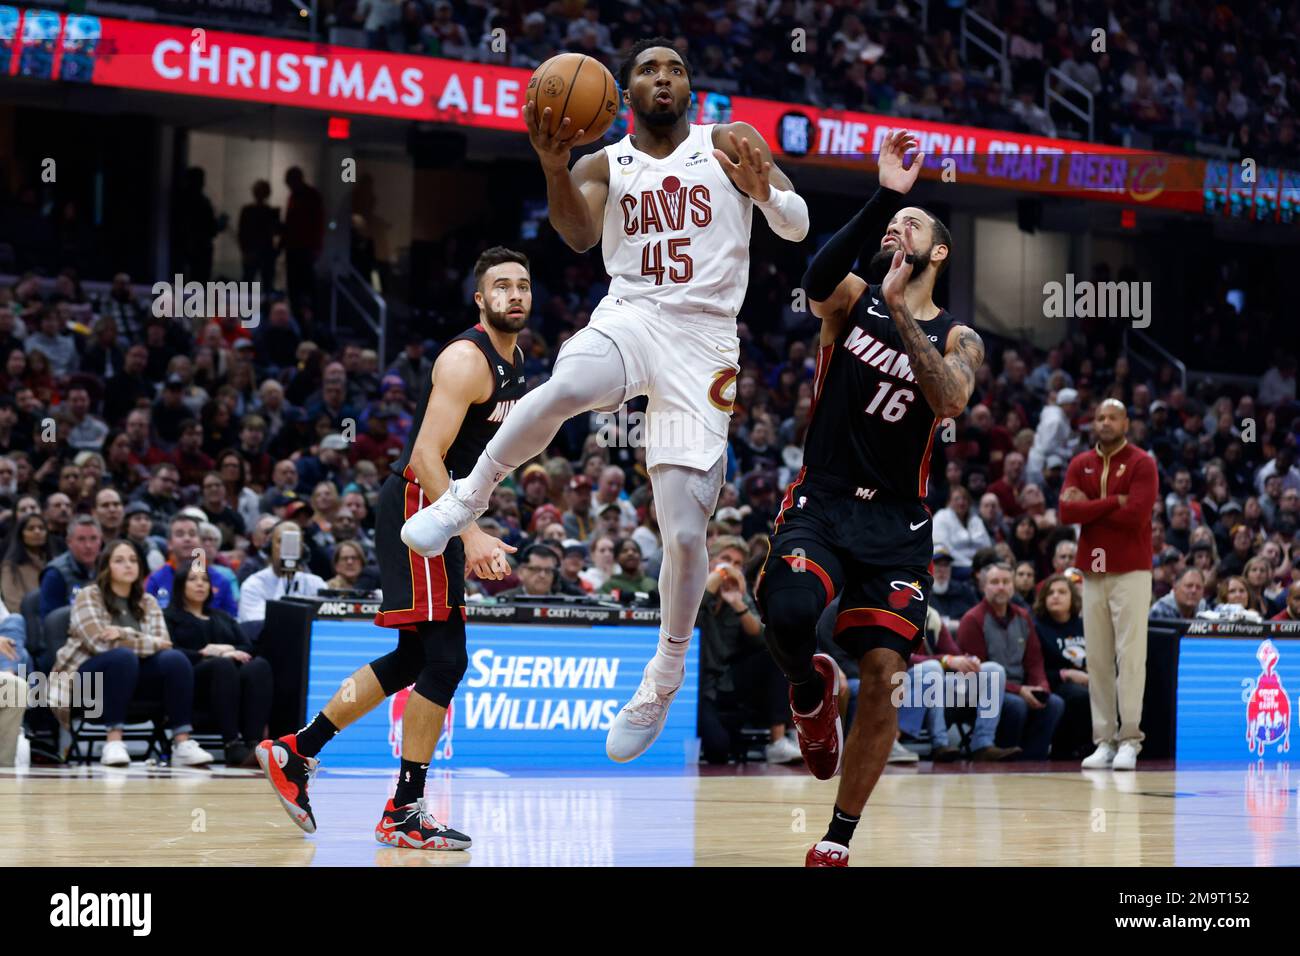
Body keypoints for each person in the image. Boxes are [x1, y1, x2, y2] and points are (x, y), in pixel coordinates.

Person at [401, 39, 810, 767]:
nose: (662, 77)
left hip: (706, 341)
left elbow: (798, 226)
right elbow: (581, 236)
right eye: (648, 70)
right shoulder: (604, 162)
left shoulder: (728, 143)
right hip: (631, 314)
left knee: (685, 535)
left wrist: (768, 192)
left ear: (690, 87)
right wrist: (554, 165)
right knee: (563, 387)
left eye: (676, 68)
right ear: (623, 94)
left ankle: (664, 673)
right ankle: (466, 499)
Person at [754, 130, 984, 867]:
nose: (898, 229)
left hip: (896, 523)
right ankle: (808, 688)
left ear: (939, 253)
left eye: (912, 224)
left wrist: (905, 315)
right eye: (894, 223)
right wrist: (886, 194)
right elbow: (818, 278)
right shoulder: (852, 300)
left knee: (885, 675)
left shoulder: (959, 335)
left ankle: (838, 837)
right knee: (788, 614)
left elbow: (948, 401)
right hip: (821, 499)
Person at [255, 246, 526, 851]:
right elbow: (426, 458)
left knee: (412, 660)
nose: (515, 295)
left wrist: (478, 521)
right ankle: (403, 809)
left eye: (523, 285)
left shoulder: (517, 361)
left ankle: (297, 752)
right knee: (446, 659)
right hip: (417, 507)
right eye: (501, 286)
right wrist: (470, 531)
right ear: (480, 300)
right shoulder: (465, 359)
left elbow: (472, 459)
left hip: (442, 512)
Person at [49, 540, 213, 767]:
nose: (128, 565)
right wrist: (141, 640)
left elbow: (164, 644)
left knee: (175, 659)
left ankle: (182, 743)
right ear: (106, 566)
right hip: (85, 682)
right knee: (122, 657)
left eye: (133, 560)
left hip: (131, 678)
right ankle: (113, 742)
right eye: (119, 560)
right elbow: (99, 644)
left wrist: (121, 634)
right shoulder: (89, 595)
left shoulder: (148, 602)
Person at [1059, 398, 1158, 771]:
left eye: (1112, 417)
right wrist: (1113, 500)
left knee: (1130, 657)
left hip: (1131, 570)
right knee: (1098, 658)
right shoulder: (1078, 463)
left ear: (1126, 422)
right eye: (1099, 417)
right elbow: (1066, 511)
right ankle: (1104, 740)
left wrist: (1094, 505)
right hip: (1092, 571)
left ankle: (1130, 739)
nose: (1104, 422)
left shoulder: (1142, 463)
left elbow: (1136, 515)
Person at [697, 536, 799, 764]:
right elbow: (688, 620)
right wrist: (713, 584)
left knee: (775, 653)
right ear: (710, 561)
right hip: (697, 687)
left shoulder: (739, 594)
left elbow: (762, 639)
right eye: (725, 560)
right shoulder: (691, 589)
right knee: (719, 748)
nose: (730, 569)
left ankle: (778, 741)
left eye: (737, 564)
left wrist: (738, 603)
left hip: (729, 681)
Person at [164, 557, 272, 767]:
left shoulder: (222, 617)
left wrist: (228, 649)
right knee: (221, 665)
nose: (200, 584)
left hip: (231, 679)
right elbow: (170, 652)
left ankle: (253, 744)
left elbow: (249, 647)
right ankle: (231, 744)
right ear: (180, 585)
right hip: (192, 681)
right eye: (193, 579)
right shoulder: (170, 616)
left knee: (259, 665)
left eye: (204, 580)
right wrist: (205, 654)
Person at [956, 563, 1063, 761]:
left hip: (1021, 688)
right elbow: (977, 673)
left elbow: (1035, 661)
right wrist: (1019, 690)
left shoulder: (1023, 617)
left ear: (1013, 586)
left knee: (1053, 703)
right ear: (983, 586)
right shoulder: (972, 619)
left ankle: (1033, 760)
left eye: (1006, 582)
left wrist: (1041, 687)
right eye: (995, 582)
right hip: (984, 692)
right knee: (1015, 705)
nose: (1001, 587)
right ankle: (1006, 759)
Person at [1033, 573, 1091, 759]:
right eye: (1050, 593)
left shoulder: (1085, 625)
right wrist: (1066, 674)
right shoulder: (1037, 627)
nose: (1055, 596)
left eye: (1062, 592)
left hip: (1088, 679)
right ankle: (1069, 751)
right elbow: (1035, 670)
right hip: (1055, 682)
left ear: (1073, 598)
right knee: (1080, 696)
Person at [145, 514, 239, 615]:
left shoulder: (219, 580)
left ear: (200, 542)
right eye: (180, 534)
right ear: (169, 544)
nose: (187, 539)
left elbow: (232, 619)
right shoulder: (155, 580)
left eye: (192, 534)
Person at [39, 514, 102, 616]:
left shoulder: (107, 566)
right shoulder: (54, 574)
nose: (88, 545)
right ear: (69, 542)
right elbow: (50, 622)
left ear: (100, 541)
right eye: (81, 539)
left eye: (93, 538)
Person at [0, 513, 49, 613]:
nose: (37, 531)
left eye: (41, 528)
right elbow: (13, 604)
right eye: (31, 528)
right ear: (21, 534)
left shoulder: (54, 561)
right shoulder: (10, 567)